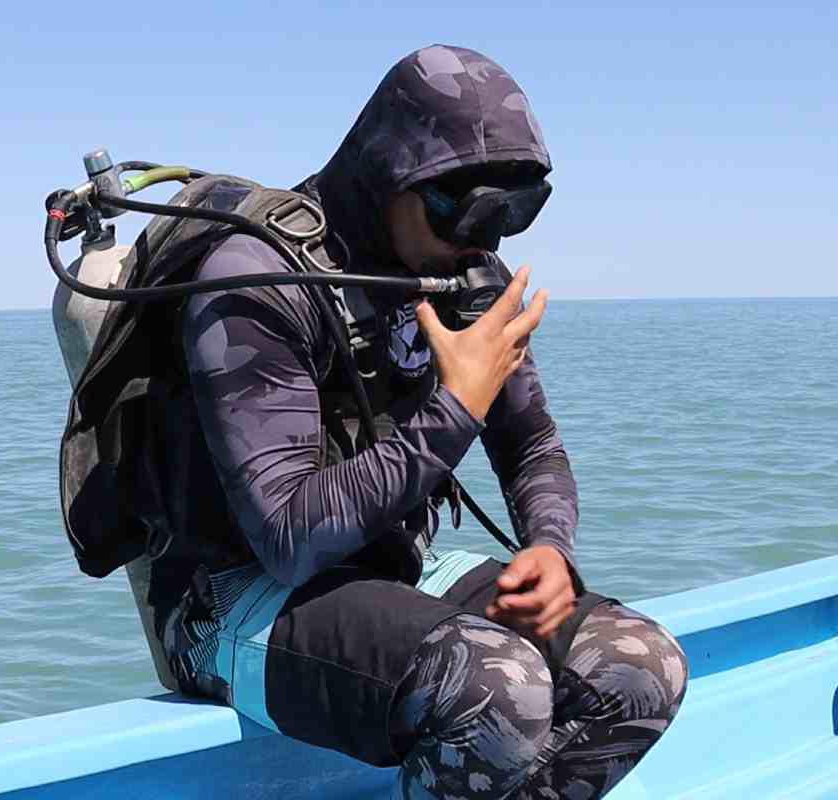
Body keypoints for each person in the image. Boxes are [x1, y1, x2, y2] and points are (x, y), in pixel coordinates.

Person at [72, 44, 690, 799]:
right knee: (495, 686)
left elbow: (532, 444)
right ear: (390, 170)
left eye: (510, 216)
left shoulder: (462, 276)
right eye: (461, 208)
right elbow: (290, 539)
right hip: (232, 598)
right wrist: (455, 407)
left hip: (392, 564)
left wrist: (551, 549)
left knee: (639, 666)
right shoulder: (254, 282)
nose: (482, 241)